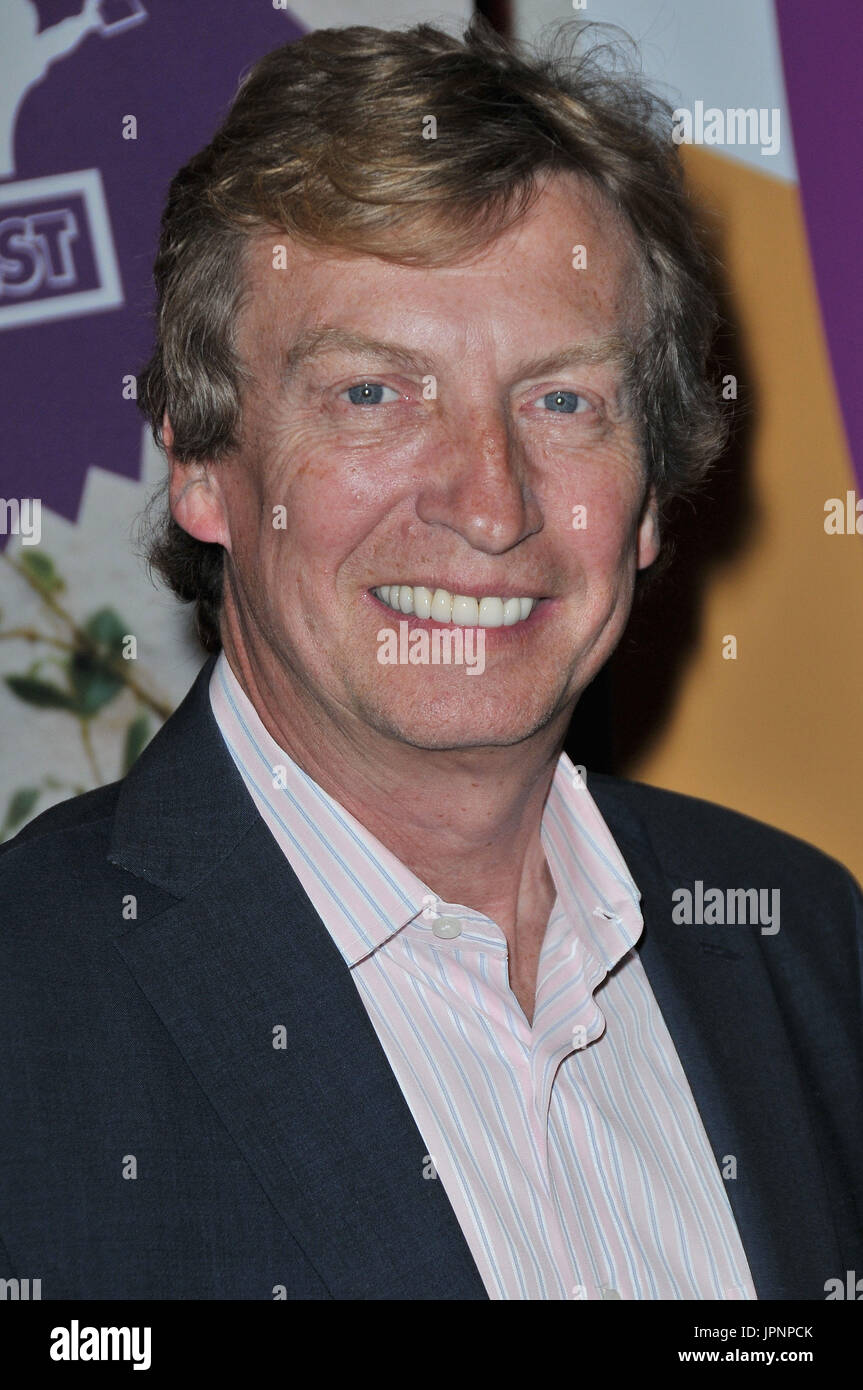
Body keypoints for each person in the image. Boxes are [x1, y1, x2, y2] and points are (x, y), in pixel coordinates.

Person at [1, 18, 860, 1302]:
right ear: (200, 462)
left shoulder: (803, 940)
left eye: (562, 400)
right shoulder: (29, 1009)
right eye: (372, 394)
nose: (488, 502)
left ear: (645, 501)